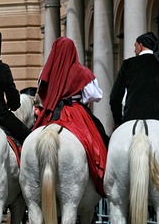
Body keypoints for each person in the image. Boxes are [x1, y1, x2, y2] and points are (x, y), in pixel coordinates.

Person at [35, 37, 108, 195]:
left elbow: (41, 94)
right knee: (98, 140)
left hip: (51, 111)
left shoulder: (45, 72)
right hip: (75, 112)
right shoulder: (83, 72)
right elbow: (95, 96)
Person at [110, 32, 159, 139]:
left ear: (140, 45)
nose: (134, 50)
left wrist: (118, 121)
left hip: (132, 116)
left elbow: (115, 97)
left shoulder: (128, 64)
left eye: (135, 46)